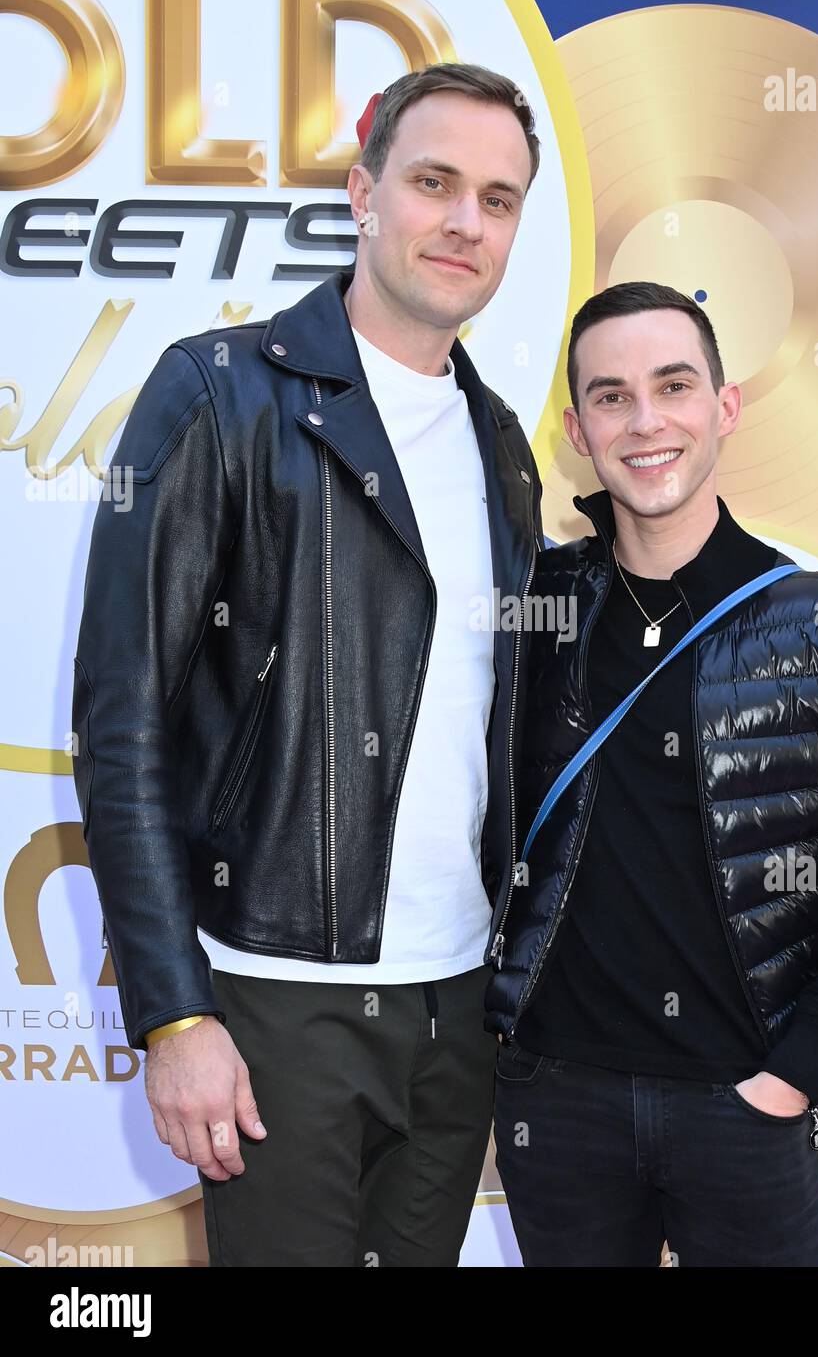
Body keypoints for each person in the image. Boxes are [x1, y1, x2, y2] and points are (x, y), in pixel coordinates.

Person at [71, 62, 544, 1267]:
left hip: (455, 1007)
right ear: (362, 193)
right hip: (275, 997)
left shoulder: (502, 445)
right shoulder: (220, 394)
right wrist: (175, 1007)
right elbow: (121, 724)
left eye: (496, 199)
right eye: (433, 182)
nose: (463, 221)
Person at [485, 281, 818, 1267]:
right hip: (556, 1105)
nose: (644, 420)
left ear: (724, 407)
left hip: (748, 1112)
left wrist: (791, 1079)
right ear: (578, 429)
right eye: (610, 396)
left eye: (673, 385)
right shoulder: (533, 609)